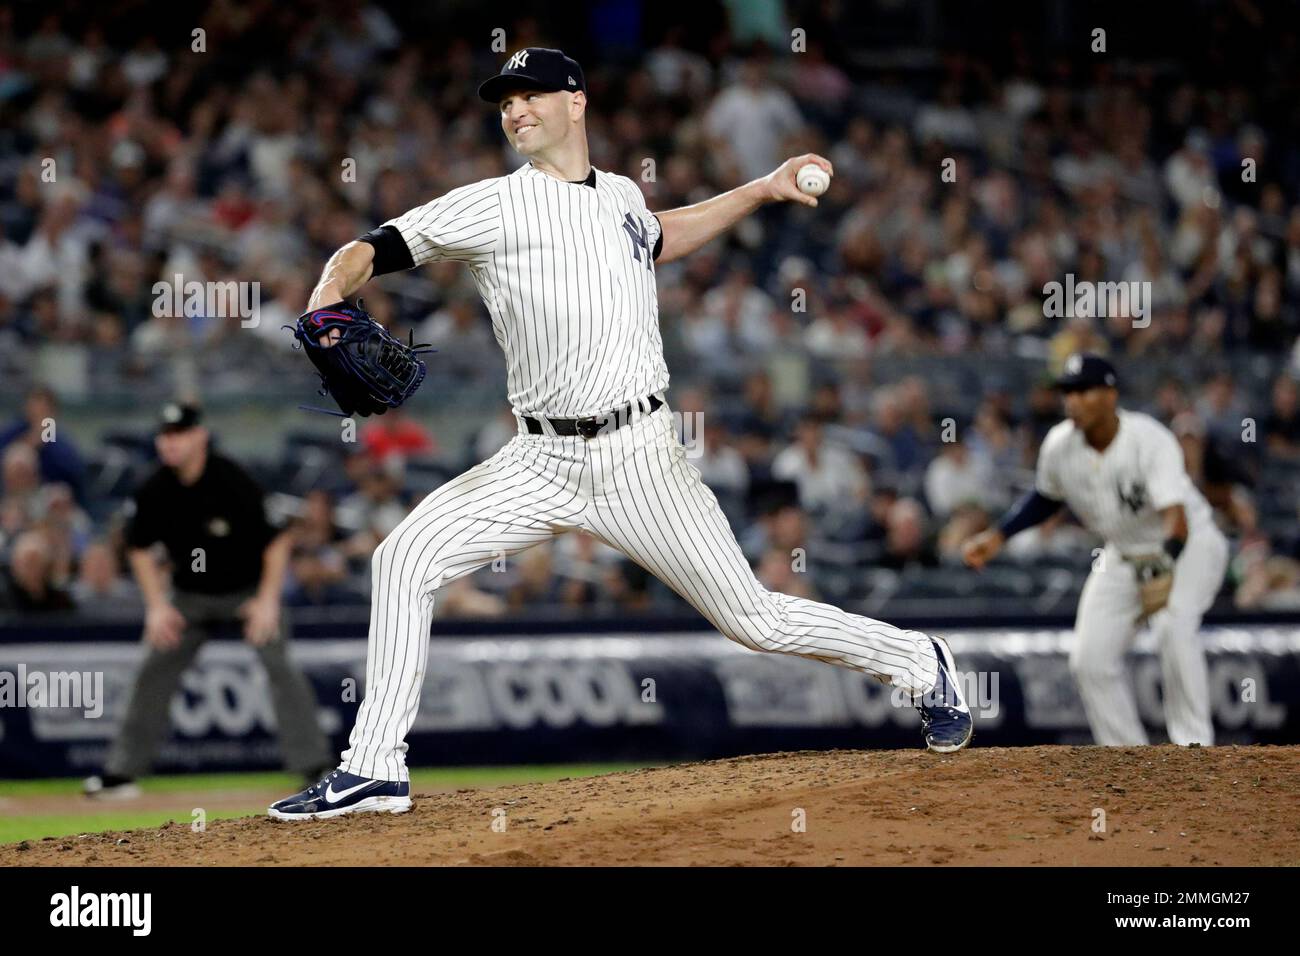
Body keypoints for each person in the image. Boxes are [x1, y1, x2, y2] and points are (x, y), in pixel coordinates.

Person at [270, 47, 971, 821]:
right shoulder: (491, 205)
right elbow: (373, 247)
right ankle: (375, 768)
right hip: (539, 458)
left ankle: (919, 660)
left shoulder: (622, 197)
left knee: (754, 619)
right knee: (403, 558)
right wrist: (327, 290)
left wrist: (762, 190)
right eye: (505, 101)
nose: (514, 110)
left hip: (640, 457)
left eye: (531, 94)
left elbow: (660, 235)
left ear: (578, 101)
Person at [962, 354, 1228, 746]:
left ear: (1110, 394)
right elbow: (1046, 499)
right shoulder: (1059, 445)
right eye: (1067, 392)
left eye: (1083, 391)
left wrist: (1165, 563)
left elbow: (1177, 518)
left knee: (1174, 628)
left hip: (1189, 547)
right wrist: (998, 536)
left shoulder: (1147, 438)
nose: (1072, 400)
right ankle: (1126, 755)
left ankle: (1195, 748)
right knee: (1089, 659)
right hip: (1122, 553)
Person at [84, 403, 331, 799]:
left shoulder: (230, 478)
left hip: (247, 592)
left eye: (178, 433)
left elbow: (277, 540)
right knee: (154, 667)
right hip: (190, 596)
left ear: (199, 435)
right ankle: (121, 773)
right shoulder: (155, 487)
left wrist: (268, 601)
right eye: (164, 435)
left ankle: (314, 767)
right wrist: (157, 607)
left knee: (279, 664)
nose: (169, 442)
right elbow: (139, 548)